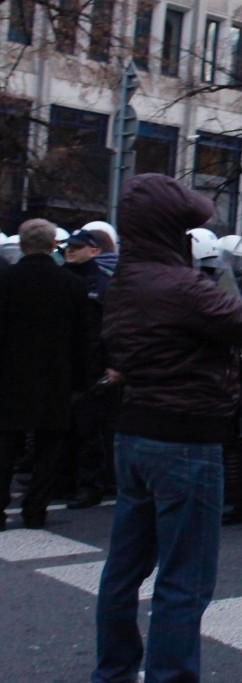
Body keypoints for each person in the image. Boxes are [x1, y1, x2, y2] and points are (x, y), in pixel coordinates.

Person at [91, 174, 242, 683]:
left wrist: (224, 364)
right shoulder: (180, 285)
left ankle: (115, 675)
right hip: (185, 441)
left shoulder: (127, 280)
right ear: (170, 229)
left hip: (135, 432)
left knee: (124, 567)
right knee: (184, 578)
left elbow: (162, 350)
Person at [0, 219, 91, 530]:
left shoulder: (6, 280)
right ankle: (35, 510)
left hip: (9, 375)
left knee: (5, 444)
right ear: (55, 244)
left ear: (22, 245)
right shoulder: (73, 285)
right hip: (56, 375)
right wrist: (81, 380)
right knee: (49, 448)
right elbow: (82, 339)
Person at [63, 229, 119, 509]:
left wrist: (113, 364)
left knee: (89, 431)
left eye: (77, 247)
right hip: (67, 362)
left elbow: (110, 328)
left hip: (92, 364)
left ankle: (90, 485)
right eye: (68, 247)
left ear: (94, 251)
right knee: (66, 429)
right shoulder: (63, 278)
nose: (70, 251)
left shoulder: (102, 283)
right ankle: (67, 481)